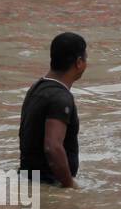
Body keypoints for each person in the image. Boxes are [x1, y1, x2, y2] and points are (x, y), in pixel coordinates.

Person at [18, 32, 87, 188]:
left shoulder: (37, 88)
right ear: (79, 62)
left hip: (28, 179)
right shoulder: (60, 98)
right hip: (49, 185)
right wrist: (70, 184)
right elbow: (52, 147)